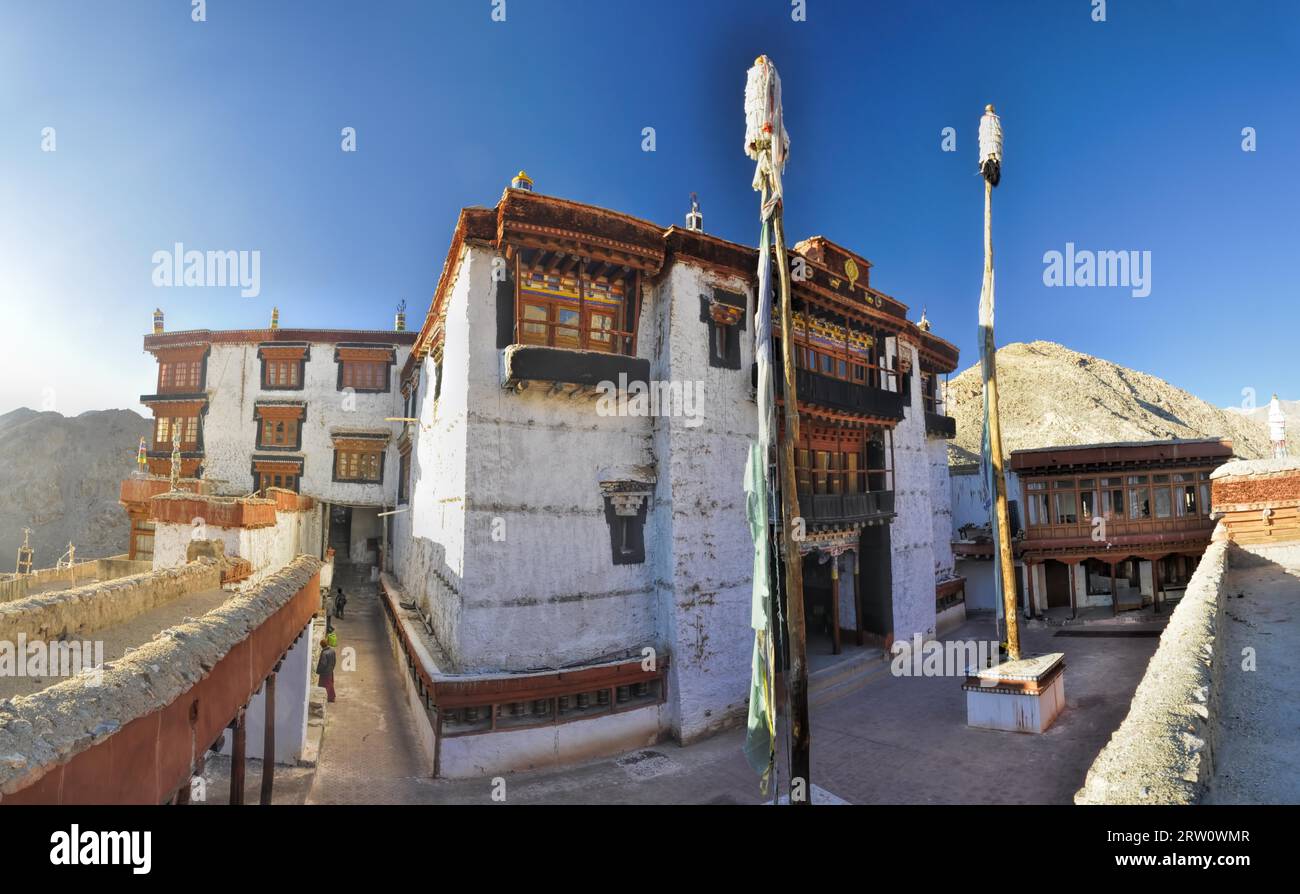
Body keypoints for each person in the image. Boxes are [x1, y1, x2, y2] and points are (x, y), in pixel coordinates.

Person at [316, 638, 337, 703]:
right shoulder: (332, 651)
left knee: (324, 686)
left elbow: (323, 664)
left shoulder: (324, 653)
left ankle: (326, 698)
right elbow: (334, 661)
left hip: (324, 673)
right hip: (330, 671)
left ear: (322, 645)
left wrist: (318, 671)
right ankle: (332, 697)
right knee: (330, 684)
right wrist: (332, 668)